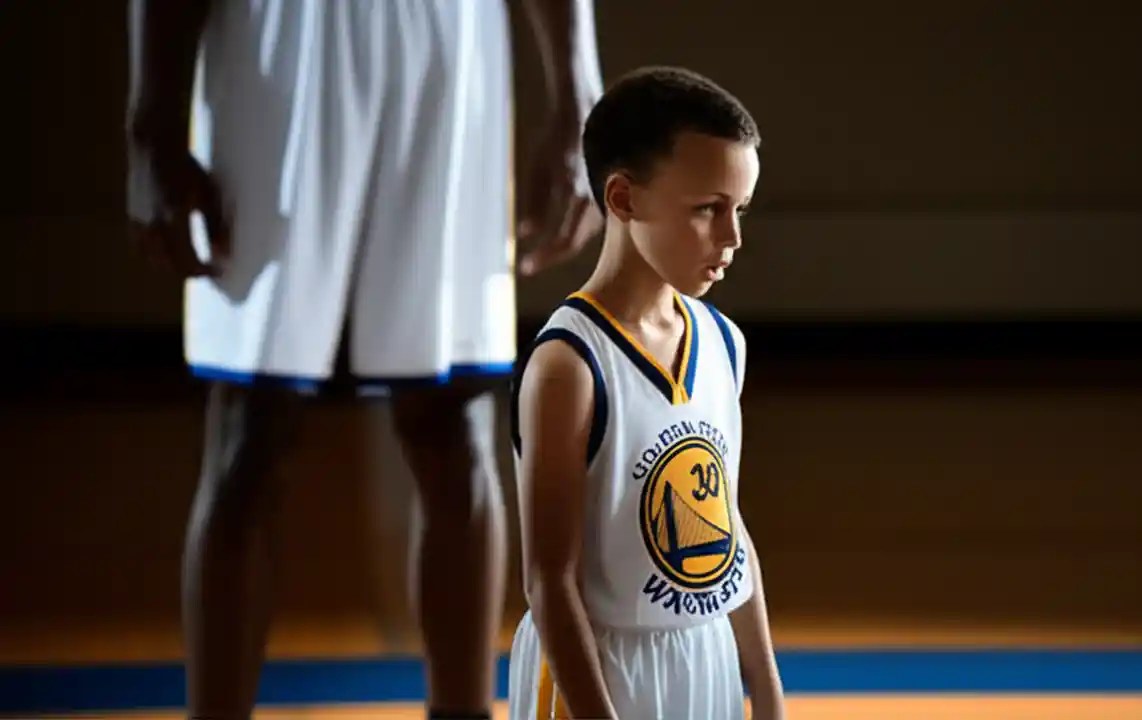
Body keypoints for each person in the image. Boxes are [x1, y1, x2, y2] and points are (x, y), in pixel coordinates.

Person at [124, 1, 605, 718]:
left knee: (454, 421)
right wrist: (150, 121)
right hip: (275, 38)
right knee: (251, 433)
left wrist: (579, 90)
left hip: (451, 36)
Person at [506, 66, 785, 720]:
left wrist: (767, 691)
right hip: (594, 668)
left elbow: (727, 527)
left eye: (739, 210)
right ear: (624, 199)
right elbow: (549, 582)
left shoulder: (722, 342)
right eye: (707, 210)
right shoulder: (569, 365)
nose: (732, 238)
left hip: (704, 650)